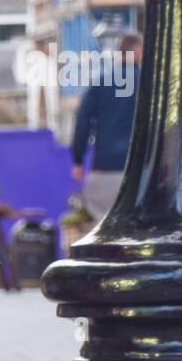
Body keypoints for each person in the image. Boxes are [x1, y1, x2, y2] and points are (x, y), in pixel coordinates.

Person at [71, 32, 142, 221]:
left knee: (101, 232)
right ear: (136, 52)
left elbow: (82, 121)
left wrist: (78, 159)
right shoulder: (149, 83)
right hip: (140, 171)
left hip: (104, 169)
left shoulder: (100, 83)